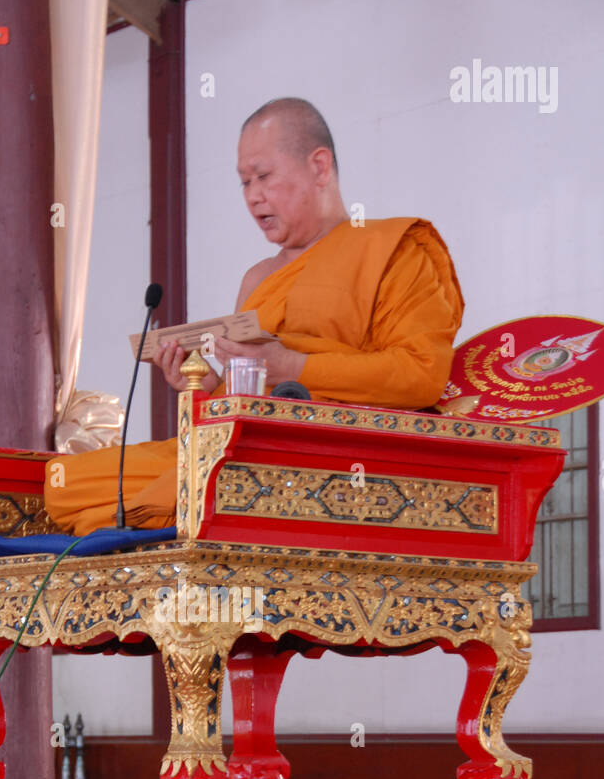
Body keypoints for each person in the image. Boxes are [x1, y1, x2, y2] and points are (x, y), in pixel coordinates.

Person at [44, 97, 464, 535]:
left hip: (329, 453)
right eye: (244, 182)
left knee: (196, 482)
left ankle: (171, 508)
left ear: (319, 167)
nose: (252, 196)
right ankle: (172, 506)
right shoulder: (258, 278)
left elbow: (421, 374)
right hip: (242, 443)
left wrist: (292, 366)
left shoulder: (394, 248)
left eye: (263, 177)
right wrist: (203, 385)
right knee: (67, 482)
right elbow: (236, 407)